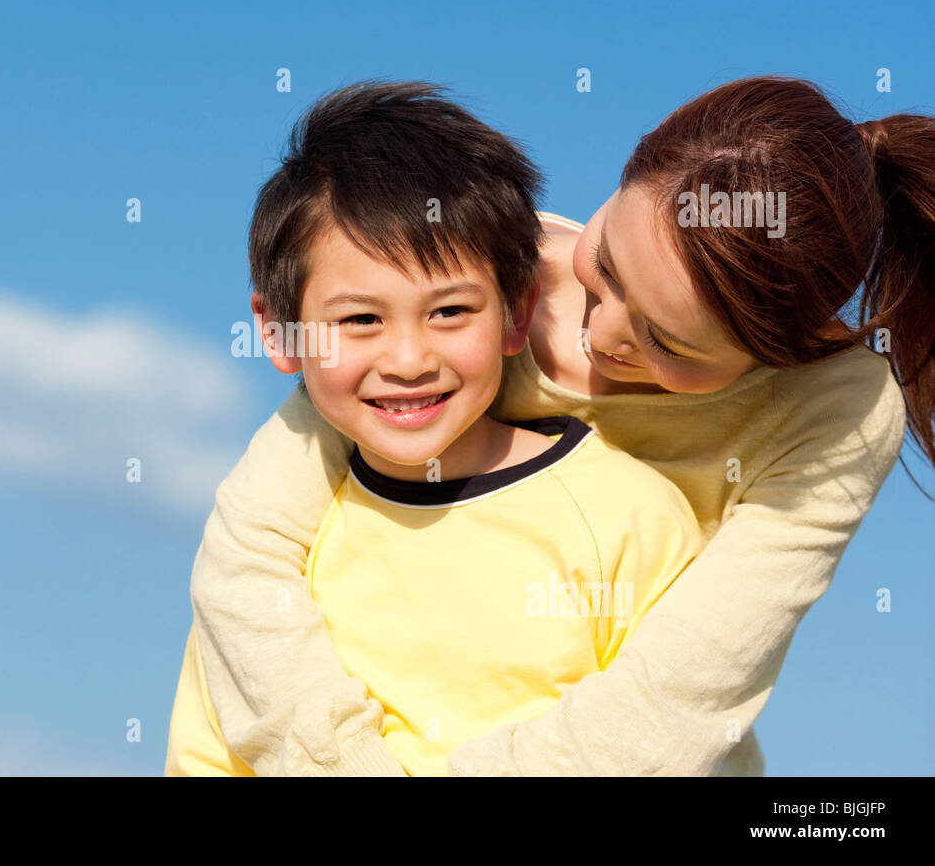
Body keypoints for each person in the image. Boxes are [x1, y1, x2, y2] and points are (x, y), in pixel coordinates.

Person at [186, 76, 933, 776]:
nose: (598, 333)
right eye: (604, 264)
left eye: (666, 342)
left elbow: (676, 697)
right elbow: (251, 548)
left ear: (773, 352)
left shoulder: (836, 412)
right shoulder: (472, 280)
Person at [165, 79, 710, 776]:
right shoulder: (270, 574)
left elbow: (673, 740)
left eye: (450, 312)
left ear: (516, 313)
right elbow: (211, 756)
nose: (409, 360)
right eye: (360, 320)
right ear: (279, 333)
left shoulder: (632, 519)